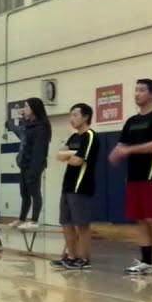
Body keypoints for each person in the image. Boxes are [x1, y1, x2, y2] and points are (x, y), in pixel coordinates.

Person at [109, 79, 152, 275]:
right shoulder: (131, 121)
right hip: (134, 177)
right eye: (135, 90)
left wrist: (129, 150)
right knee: (140, 219)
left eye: (141, 90)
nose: (137, 94)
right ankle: (147, 261)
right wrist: (117, 152)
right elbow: (122, 145)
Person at [54, 103, 98, 270]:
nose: (71, 119)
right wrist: (72, 154)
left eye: (75, 115)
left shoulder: (90, 136)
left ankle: (83, 258)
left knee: (82, 224)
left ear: (85, 117)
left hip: (81, 186)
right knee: (65, 222)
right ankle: (71, 256)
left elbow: (79, 161)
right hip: (67, 185)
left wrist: (70, 156)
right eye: (70, 115)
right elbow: (59, 156)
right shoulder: (73, 138)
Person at [10, 97, 52, 230]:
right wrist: (9, 124)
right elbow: (19, 132)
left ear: (34, 109)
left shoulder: (41, 128)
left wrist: (34, 171)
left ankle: (34, 220)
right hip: (24, 164)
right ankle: (22, 218)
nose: (24, 109)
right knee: (24, 193)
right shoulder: (27, 125)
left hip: (34, 165)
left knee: (35, 192)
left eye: (26, 106)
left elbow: (39, 152)